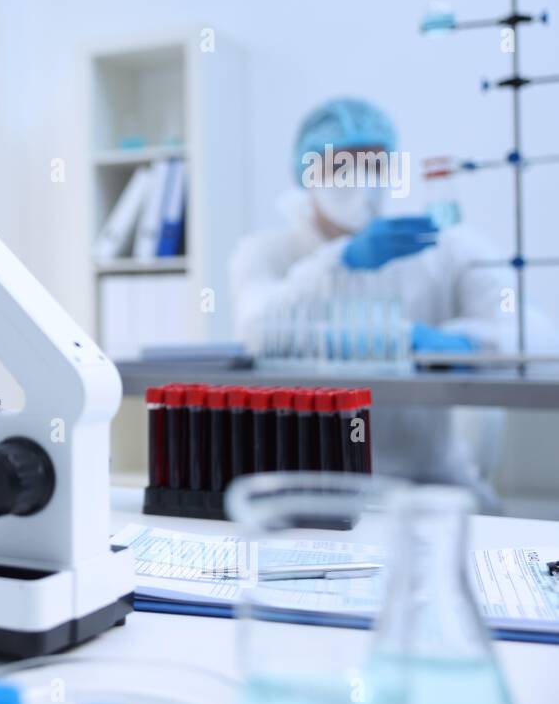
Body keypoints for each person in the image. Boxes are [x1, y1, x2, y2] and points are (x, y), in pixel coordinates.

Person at [230, 97, 549, 500]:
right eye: (341, 165)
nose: (360, 179)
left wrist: (462, 343)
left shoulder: (441, 246)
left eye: (375, 165)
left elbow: (533, 334)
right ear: (307, 171)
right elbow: (258, 331)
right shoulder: (266, 252)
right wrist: (340, 261)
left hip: (429, 482)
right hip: (311, 485)